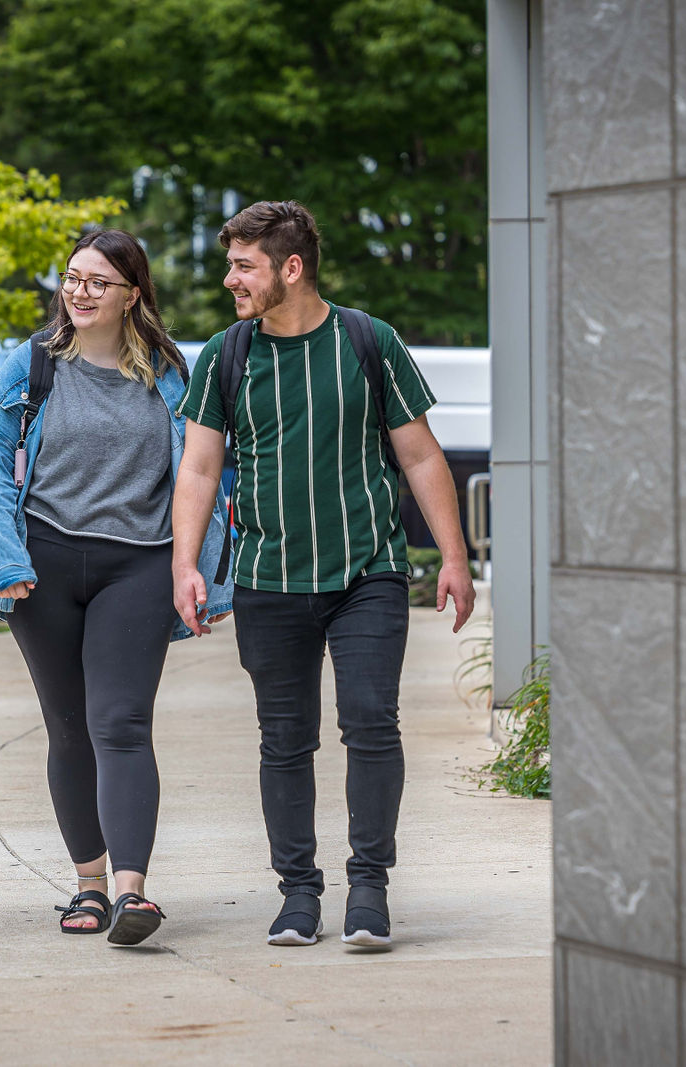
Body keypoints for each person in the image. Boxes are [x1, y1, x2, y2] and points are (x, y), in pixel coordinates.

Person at [170, 200, 476, 949]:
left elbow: (421, 455)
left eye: (244, 265)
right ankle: (299, 893)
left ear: (291, 267)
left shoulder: (369, 341)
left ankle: (368, 888)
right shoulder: (226, 355)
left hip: (366, 571)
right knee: (285, 738)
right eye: (232, 264)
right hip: (268, 577)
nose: (229, 278)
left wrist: (456, 558)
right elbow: (200, 468)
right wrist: (186, 562)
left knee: (372, 724)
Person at [0, 229, 234, 945]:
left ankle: (132, 892)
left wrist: (196, 565)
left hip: (137, 564)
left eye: (97, 282)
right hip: (42, 562)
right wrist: (6, 556)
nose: (79, 292)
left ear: (132, 294)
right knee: (70, 725)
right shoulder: (34, 365)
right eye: (72, 278)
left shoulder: (172, 374)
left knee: (121, 720)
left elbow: (201, 471)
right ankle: (86, 883)